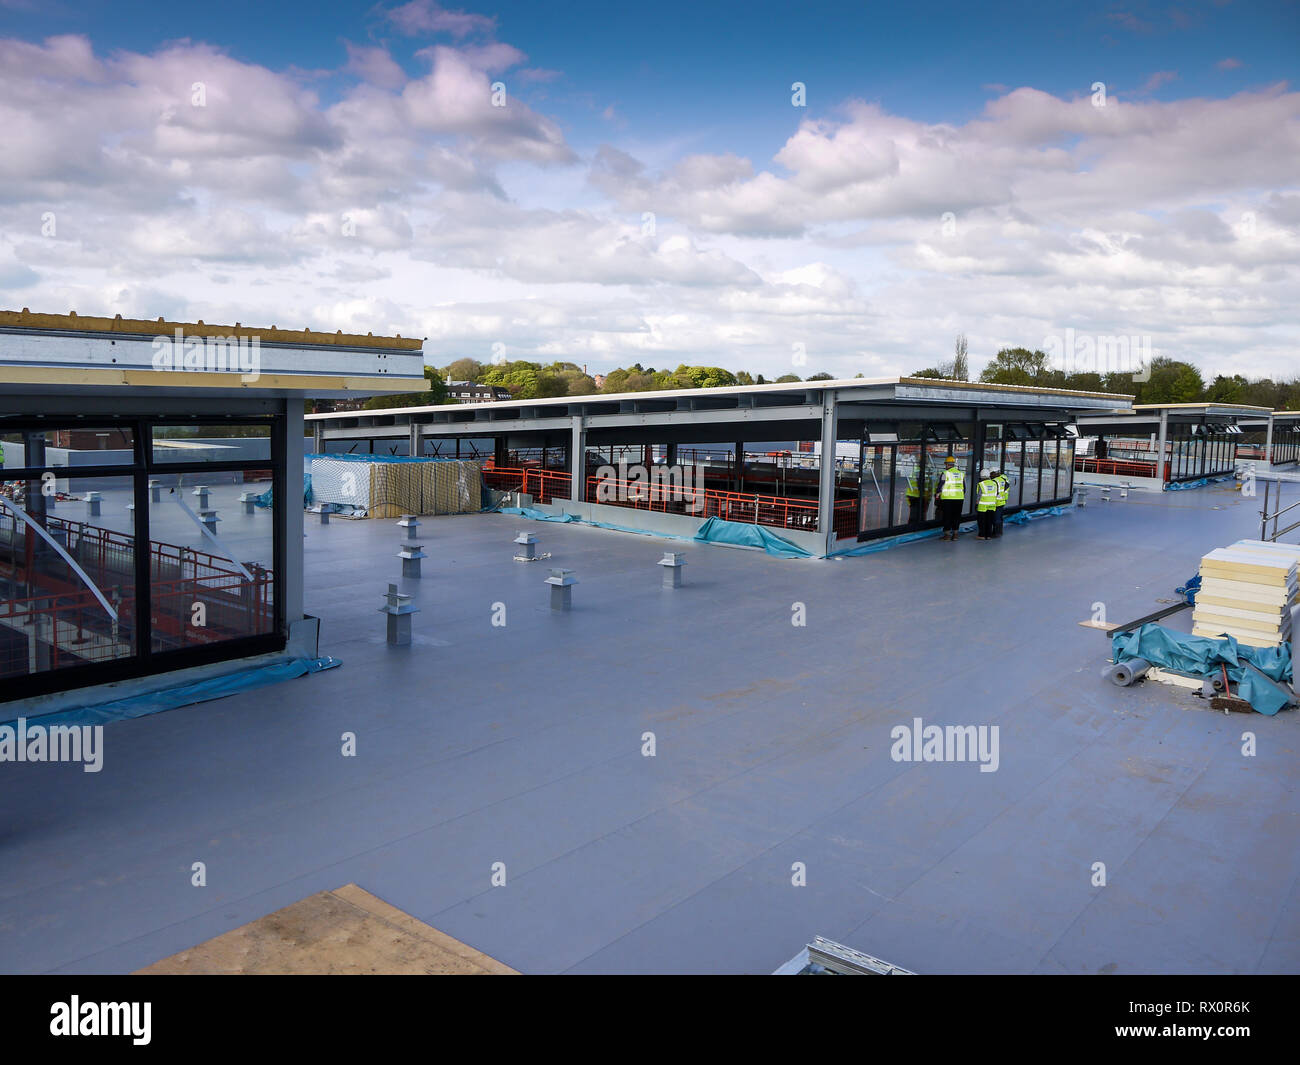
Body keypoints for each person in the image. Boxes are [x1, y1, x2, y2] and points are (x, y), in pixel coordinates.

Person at [938, 455, 965, 540]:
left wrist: (938, 494)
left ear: (947, 464)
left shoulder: (945, 473)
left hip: (947, 498)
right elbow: (964, 488)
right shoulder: (961, 474)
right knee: (956, 516)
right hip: (959, 499)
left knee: (947, 516)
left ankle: (947, 535)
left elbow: (940, 486)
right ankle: (955, 535)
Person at [976, 468, 998, 540]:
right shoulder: (994, 483)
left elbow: (979, 495)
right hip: (992, 505)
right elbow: (996, 493)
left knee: (982, 521)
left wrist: (976, 504)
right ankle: (988, 535)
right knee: (989, 521)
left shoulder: (981, 484)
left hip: (982, 506)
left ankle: (982, 535)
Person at [993, 467, 1009, 538]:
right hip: (1002, 501)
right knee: (999, 517)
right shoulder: (1003, 479)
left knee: (996, 518)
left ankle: (996, 533)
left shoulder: (995, 481)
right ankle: (999, 531)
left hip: (996, 502)